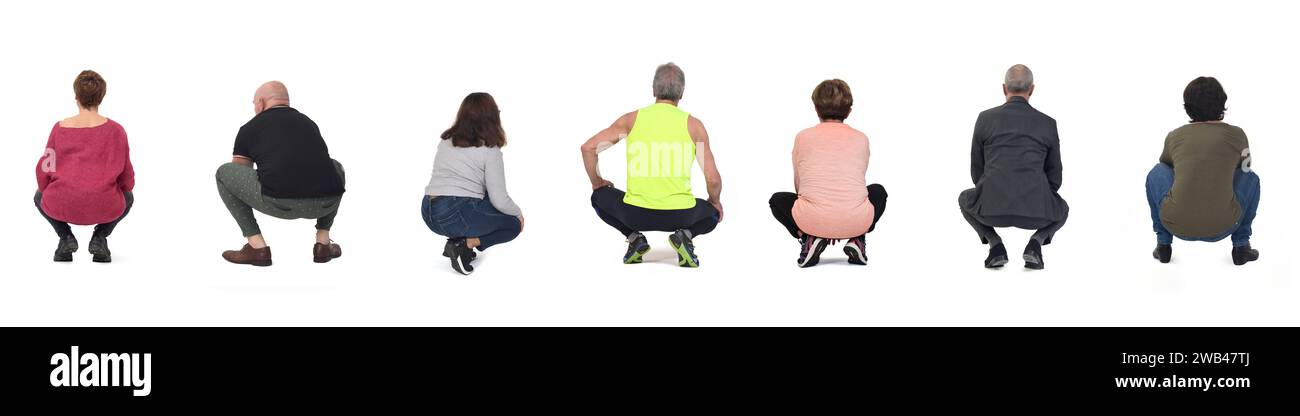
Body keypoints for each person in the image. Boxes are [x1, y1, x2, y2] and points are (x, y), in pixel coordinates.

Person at [580, 63, 723, 268]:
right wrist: (714, 202)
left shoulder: (632, 120)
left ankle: (634, 238)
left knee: (598, 197)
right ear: (681, 93)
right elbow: (713, 179)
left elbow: (588, 148)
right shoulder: (694, 126)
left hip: (635, 215)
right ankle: (685, 236)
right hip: (680, 215)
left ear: (654, 90)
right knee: (713, 214)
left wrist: (597, 182)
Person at [215, 81, 346, 267]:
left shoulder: (250, 128)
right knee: (336, 166)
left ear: (260, 103)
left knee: (223, 173)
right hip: (326, 204)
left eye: (254, 103)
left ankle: (257, 247)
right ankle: (323, 243)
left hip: (279, 203)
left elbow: (240, 172)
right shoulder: (309, 123)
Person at [958, 64, 1068, 270]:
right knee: (1062, 209)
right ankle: (1036, 243)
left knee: (964, 198)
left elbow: (976, 169)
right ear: (1032, 89)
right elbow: (1055, 177)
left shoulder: (985, 118)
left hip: (991, 210)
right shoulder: (1048, 123)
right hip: (1038, 213)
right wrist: (1040, 197)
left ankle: (995, 244)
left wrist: (990, 191)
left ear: (1004, 88)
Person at [769, 79, 887, 268]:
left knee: (777, 200)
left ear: (816, 109)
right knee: (878, 191)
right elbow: (858, 179)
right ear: (849, 110)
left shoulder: (802, 137)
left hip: (810, 218)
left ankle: (808, 238)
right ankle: (857, 239)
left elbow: (799, 185)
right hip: (856, 219)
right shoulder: (861, 138)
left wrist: (820, 218)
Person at [1145, 77, 1260, 266]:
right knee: (1251, 177)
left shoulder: (1174, 136)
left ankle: (1163, 244)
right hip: (1226, 224)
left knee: (1157, 172)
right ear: (1223, 103)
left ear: (1187, 107)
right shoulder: (1238, 135)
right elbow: (1245, 168)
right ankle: (1241, 246)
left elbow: (1166, 166)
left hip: (1175, 223)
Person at [34, 70, 135, 263]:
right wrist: (118, 190)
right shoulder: (117, 131)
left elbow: (46, 167)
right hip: (105, 204)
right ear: (101, 97)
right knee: (128, 197)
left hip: (62, 202)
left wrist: (46, 187)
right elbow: (126, 176)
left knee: (38, 196)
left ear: (76, 97)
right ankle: (100, 238)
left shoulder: (59, 128)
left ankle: (65, 239)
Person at [423, 93, 524, 275]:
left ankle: (461, 242)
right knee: (512, 225)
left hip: (428, 212)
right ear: (492, 117)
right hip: (454, 214)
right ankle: (465, 244)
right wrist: (519, 214)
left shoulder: (446, 141)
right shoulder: (489, 150)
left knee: (481, 194)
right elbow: (499, 199)